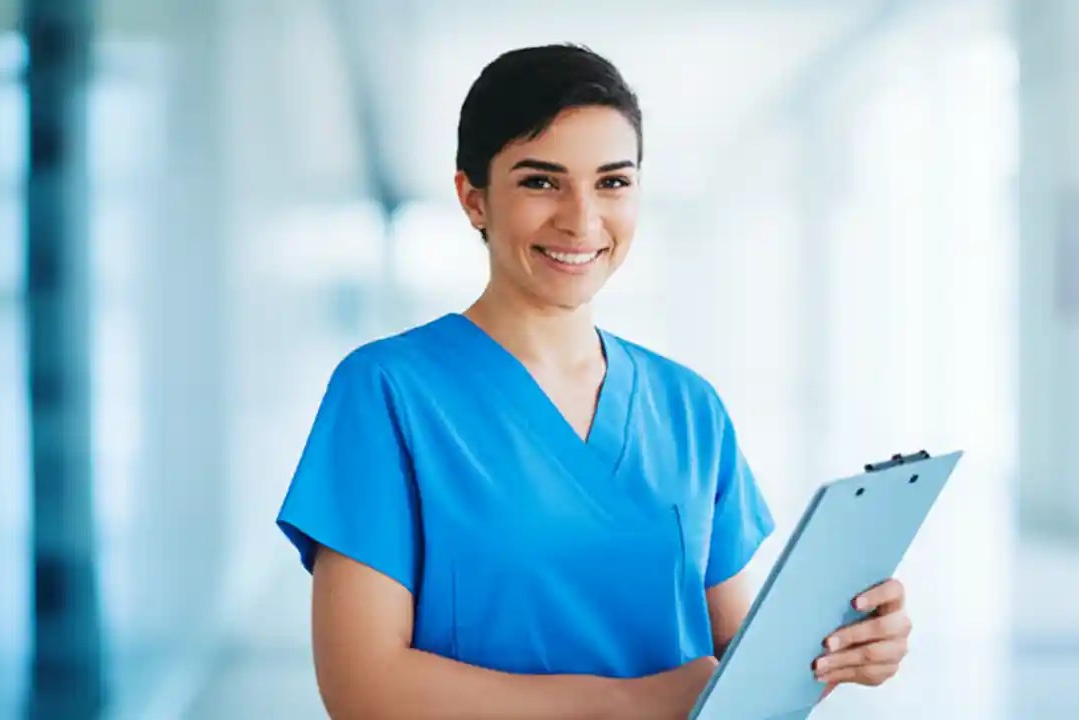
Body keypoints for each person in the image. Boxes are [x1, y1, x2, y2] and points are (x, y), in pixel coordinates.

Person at [276, 43, 912, 719]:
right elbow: (364, 689)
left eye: (613, 182)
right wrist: (637, 703)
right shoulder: (387, 393)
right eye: (541, 181)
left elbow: (738, 664)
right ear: (473, 198)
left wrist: (843, 647)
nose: (581, 219)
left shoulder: (688, 407)